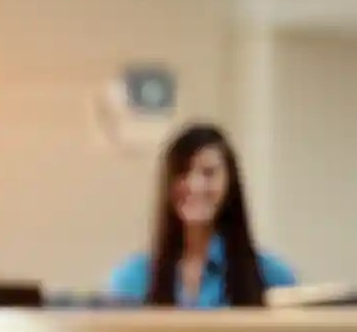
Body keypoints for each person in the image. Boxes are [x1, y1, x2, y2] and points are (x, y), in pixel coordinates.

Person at [108, 123, 297, 307]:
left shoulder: (272, 277)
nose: (195, 185)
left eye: (209, 173)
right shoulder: (132, 280)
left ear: (229, 184)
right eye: (182, 172)